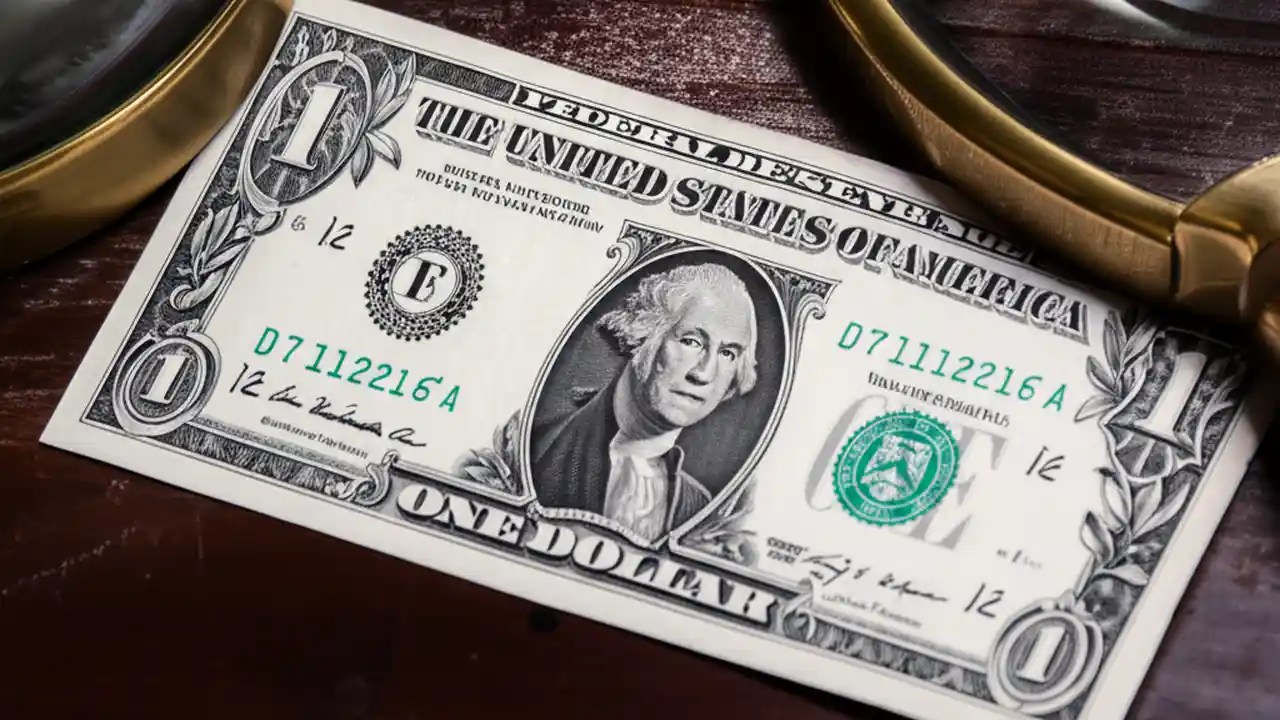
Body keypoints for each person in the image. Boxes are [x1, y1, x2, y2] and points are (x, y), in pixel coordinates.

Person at [530, 263, 759, 544]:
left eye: (727, 353)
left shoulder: (698, 508)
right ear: (643, 335)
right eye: (691, 341)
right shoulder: (537, 449)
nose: (703, 373)